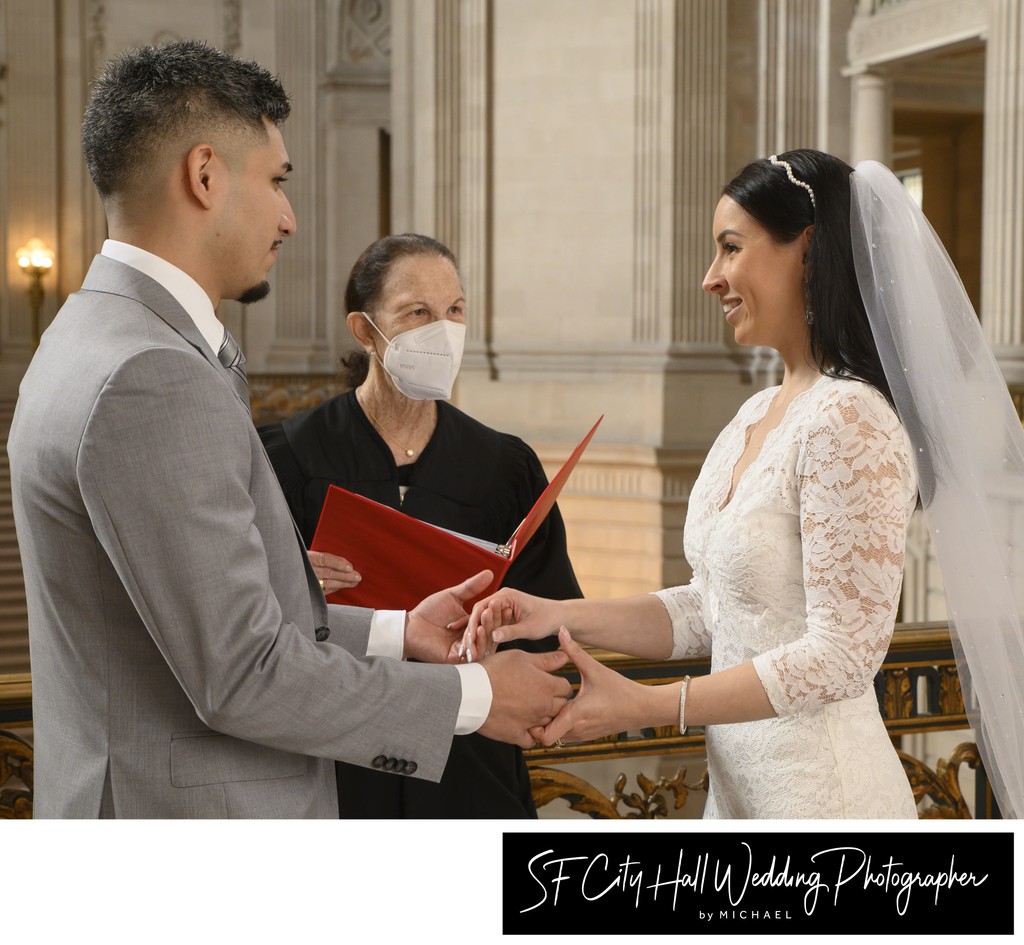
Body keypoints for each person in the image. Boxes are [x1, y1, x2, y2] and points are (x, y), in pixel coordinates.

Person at [6, 39, 573, 819]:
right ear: (205, 176)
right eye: (276, 181)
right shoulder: (152, 375)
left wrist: (393, 631)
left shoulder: (88, 332)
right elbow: (240, 670)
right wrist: (471, 695)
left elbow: (197, 622)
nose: (289, 217)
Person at [464, 149, 928, 819]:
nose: (711, 278)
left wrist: (652, 703)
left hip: (827, 804)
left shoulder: (849, 415)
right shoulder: (755, 414)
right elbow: (712, 607)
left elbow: (842, 656)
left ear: (807, 247)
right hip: (738, 799)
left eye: (731, 248)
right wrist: (557, 613)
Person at [258, 233, 584, 817]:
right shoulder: (287, 457)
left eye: (455, 310)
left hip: (471, 763)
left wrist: (500, 626)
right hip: (335, 764)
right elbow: (244, 622)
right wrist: (287, 576)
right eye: (418, 313)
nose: (445, 330)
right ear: (364, 330)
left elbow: (553, 616)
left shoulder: (504, 466)